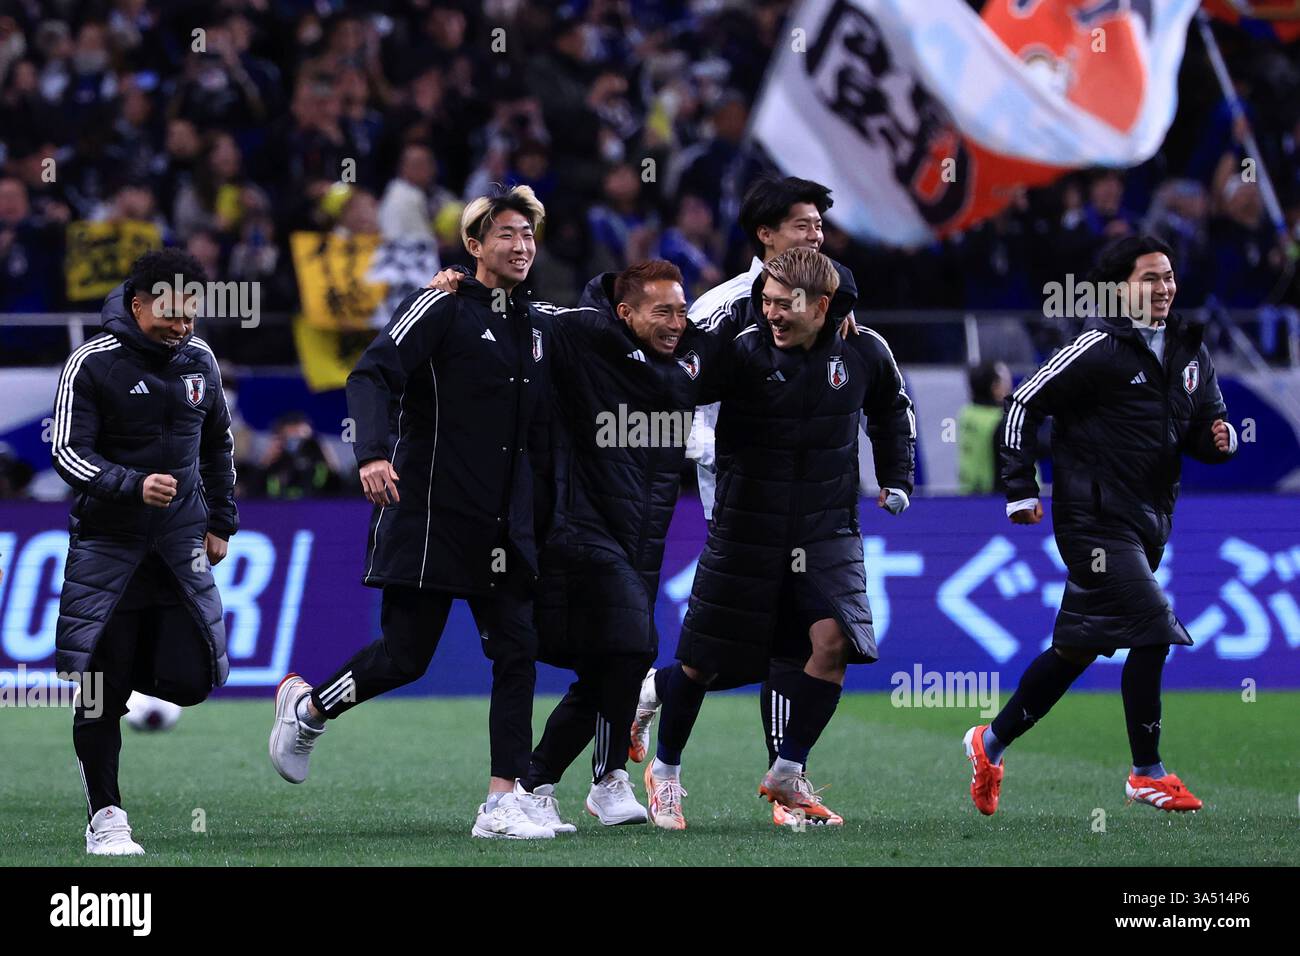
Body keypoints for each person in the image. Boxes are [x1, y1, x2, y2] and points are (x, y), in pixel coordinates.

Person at [267, 185, 565, 840]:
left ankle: (501, 802)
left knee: (517, 650)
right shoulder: (440, 305)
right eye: (507, 234)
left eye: (528, 235)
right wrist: (372, 455)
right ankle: (310, 707)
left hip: (501, 527)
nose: (521, 246)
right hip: (430, 513)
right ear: (474, 245)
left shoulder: (539, 324)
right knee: (406, 658)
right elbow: (371, 374)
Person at [424, 258, 730, 826]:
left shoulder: (693, 353)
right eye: (661, 311)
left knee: (612, 662)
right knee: (635, 647)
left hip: (645, 531)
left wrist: (835, 305)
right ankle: (583, 779)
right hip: (581, 526)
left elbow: (753, 336)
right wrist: (463, 287)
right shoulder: (581, 334)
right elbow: (518, 310)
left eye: (682, 310)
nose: (675, 322)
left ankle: (562, 780)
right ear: (624, 312)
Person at [630, 175, 896, 818]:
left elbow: (886, 401)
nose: (816, 235)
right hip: (739, 491)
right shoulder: (723, 308)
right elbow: (673, 371)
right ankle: (664, 746)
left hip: (813, 505)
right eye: (804, 225)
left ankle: (785, 781)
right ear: (766, 235)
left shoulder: (833, 302)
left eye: (820, 226)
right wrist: (688, 445)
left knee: (805, 644)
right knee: (724, 650)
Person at [964, 235, 1239, 816]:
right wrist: (1019, 490)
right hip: (1093, 521)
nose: (1163, 287)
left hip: (1148, 523)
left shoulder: (1191, 351)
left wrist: (1222, 441)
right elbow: (1022, 404)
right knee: (1153, 627)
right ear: (1120, 289)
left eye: (1168, 277)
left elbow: (1204, 427)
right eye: (1149, 278)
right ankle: (1146, 771)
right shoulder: (1096, 347)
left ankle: (989, 744)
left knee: (1074, 650)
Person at [53, 248, 237, 855]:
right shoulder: (91, 362)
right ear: (139, 305)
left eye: (190, 315)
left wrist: (222, 521)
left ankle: (120, 684)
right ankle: (105, 815)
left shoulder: (200, 360)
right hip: (109, 547)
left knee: (192, 678)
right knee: (102, 691)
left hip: (179, 547)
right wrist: (131, 484)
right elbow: (65, 453)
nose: (181, 326)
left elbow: (219, 445)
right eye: (171, 314)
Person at [957, 360, 1012, 494]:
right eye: (1003, 381)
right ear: (995, 387)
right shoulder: (1002, 421)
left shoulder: (966, 413)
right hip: (995, 497)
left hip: (968, 493)